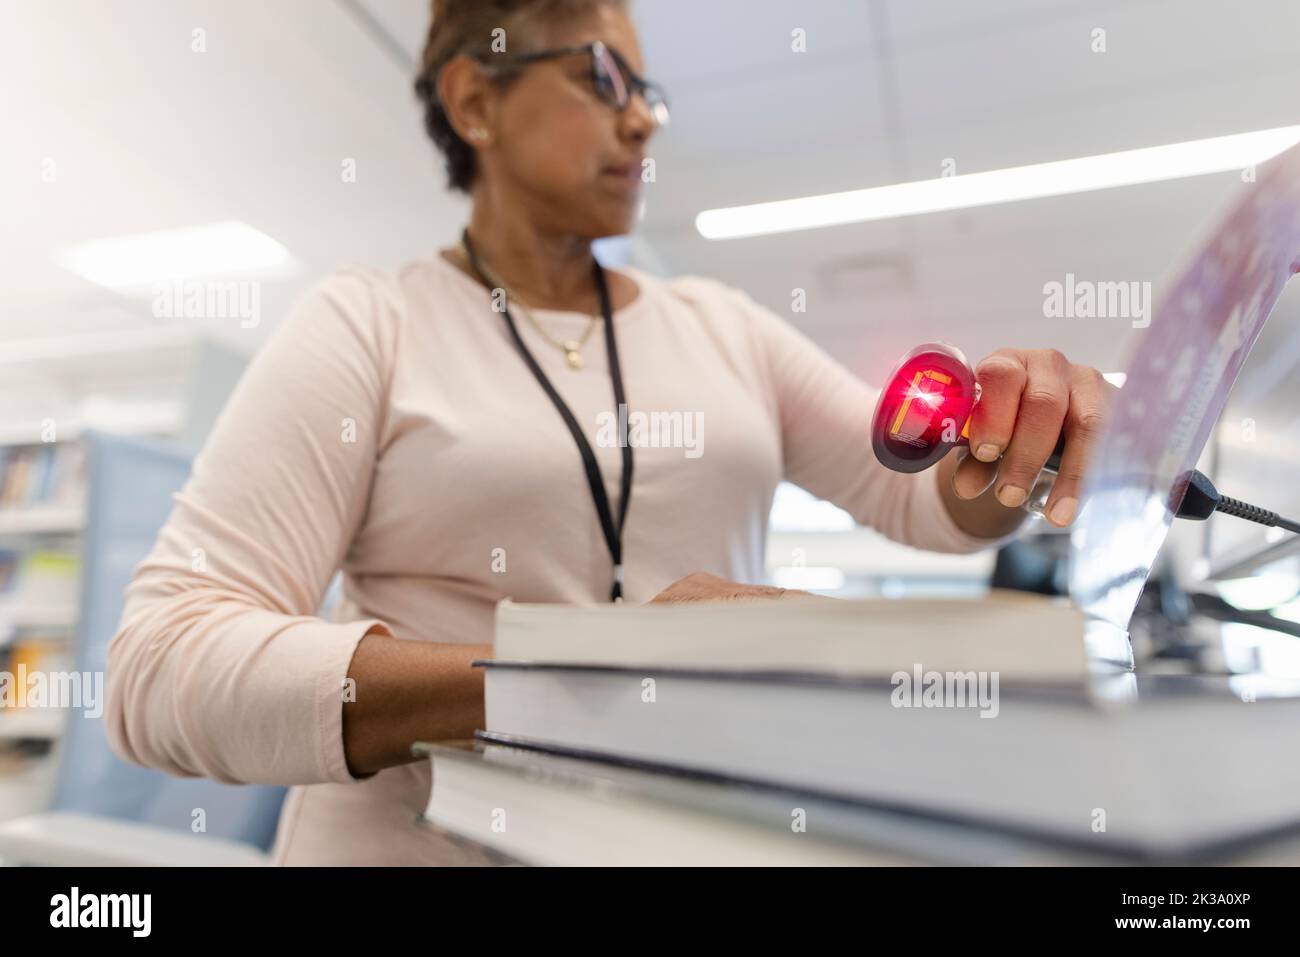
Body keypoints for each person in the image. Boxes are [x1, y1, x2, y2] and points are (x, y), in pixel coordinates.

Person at [105, 0, 1114, 865]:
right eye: (602, 77)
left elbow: (912, 490)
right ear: (472, 102)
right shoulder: (370, 321)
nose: (641, 121)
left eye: (649, 93)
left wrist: (1014, 446)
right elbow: (162, 666)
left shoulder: (719, 326)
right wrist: (578, 673)